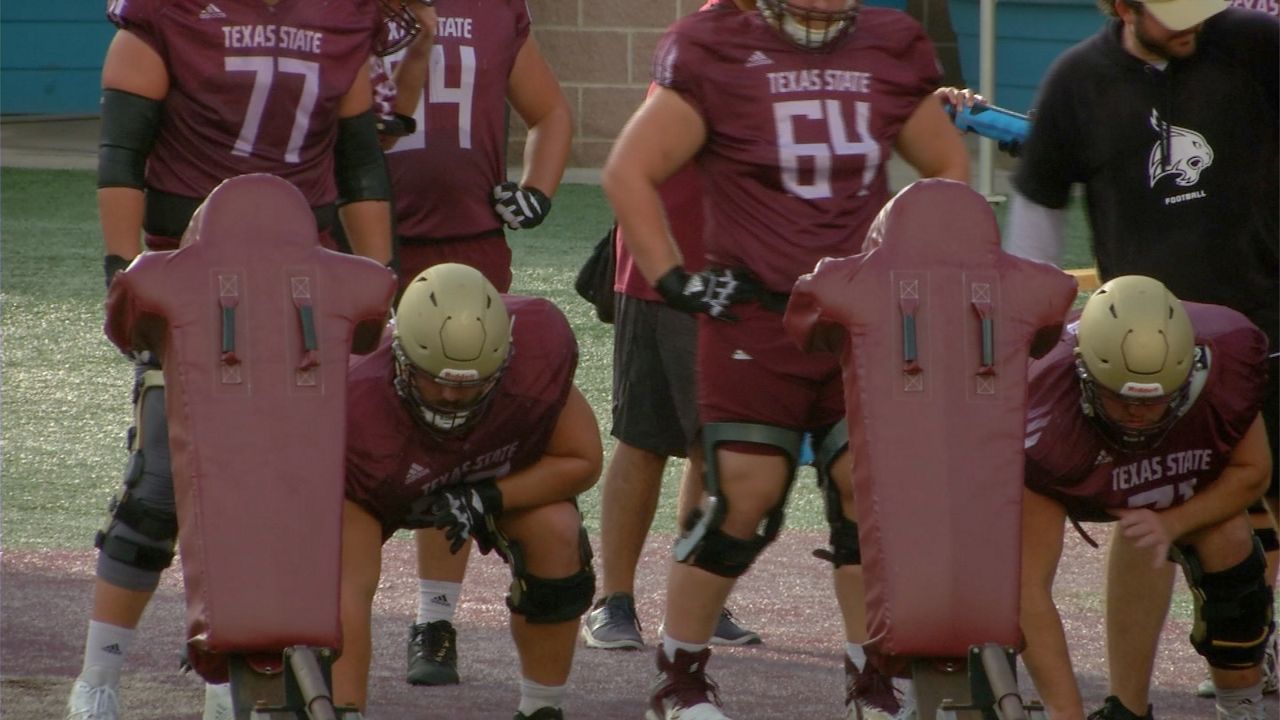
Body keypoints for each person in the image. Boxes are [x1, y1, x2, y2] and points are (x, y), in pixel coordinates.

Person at [601, 1, 971, 717]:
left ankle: (872, 675)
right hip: (758, 314)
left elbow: (945, 162)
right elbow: (627, 172)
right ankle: (677, 675)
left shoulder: (889, 44)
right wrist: (676, 279)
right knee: (745, 499)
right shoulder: (716, 44)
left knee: (868, 498)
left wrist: (922, 265)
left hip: (856, 315)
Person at [64, 3, 428, 719]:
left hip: (301, 291)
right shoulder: (166, 18)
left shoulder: (339, 21)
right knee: (162, 484)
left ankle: (236, 670)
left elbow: (358, 163)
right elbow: (123, 153)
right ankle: (97, 676)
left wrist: (380, 273)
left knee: (291, 490)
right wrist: (122, 267)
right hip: (194, 276)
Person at [1003, 0, 1279, 697]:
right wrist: (1026, 336)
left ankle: (1250, 673)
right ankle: (1129, 702)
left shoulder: (1255, 43)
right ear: (1123, 6)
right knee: (1143, 515)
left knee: (1247, 529)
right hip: (1142, 358)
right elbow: (1036, 213)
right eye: (1171, 12)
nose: (1191, 22)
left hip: (1269, 326)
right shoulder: (1076, 82)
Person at [368, 0, 573, 687]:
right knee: (347, 430)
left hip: (471, 244)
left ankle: (435, 618)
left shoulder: (494, 10)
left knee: (453, 430)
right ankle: (328, 609)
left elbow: (550, 113)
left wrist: (537, 189)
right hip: (368, 242)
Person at [332, 263, 602, 720]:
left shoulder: (537, 355)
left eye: (472, 384)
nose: (451, 397)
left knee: (557, 533)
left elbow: (581, 460)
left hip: (484, 476)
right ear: (398, 353)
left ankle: (542, 708)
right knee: (338, 586)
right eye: (433, 378)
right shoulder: (353, 401)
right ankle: (340, 712)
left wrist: (487, 499)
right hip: (374, 489)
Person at [581, 0, 763, 654]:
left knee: (714, 444)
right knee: (645, 439)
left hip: (736, 276)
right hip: (667, 271)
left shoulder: (796, 42)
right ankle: (615, 600)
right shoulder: (704, 36)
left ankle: (699, 594)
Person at [1019, 275, 1274, 720]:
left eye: (1157, 400)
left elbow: (1253, 473)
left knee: (1231, 542)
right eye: (1121, 399)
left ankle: (1241, 706)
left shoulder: (1226, 355)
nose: (1138, 414)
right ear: (1083, 374)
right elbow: (1027, 587)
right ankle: (1121, 710)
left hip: (1176, 480)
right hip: (1080, 467)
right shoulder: (1040, 410)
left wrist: (1173, 523)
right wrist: (1067, 711)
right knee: (1003, 581)